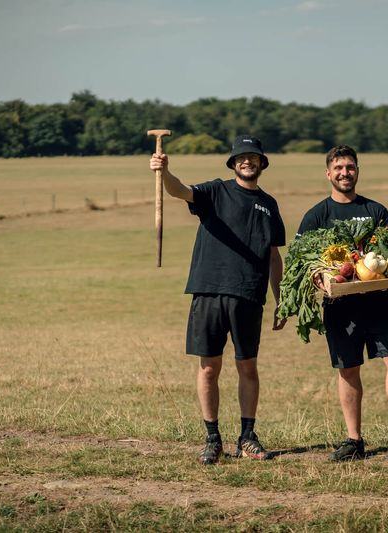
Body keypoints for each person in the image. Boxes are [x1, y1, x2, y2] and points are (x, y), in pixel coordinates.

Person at [149, 135, 287, 465]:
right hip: (209, 290)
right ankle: (213, 439)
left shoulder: (269, 204)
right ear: (232, 162)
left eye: (253, 157)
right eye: (241, 157)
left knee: (247, 367)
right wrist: (165, 171)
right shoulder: (215, 191)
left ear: (261, 163)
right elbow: (180, 190)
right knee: (209, 368)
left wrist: (280, 297)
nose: (247, 161)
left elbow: (273, 255)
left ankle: (247, 437)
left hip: (249, 295)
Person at [296, 145, 388, 467]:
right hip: (341, 309)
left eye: (350, 167)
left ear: (357, 171)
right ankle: (354, 440)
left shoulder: (376, 210)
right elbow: (300, 265)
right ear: (328, 173)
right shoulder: (316, 216)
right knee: (348, 369)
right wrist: (319, 280)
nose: (344, 173)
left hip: (381, 303)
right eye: (338, 168)